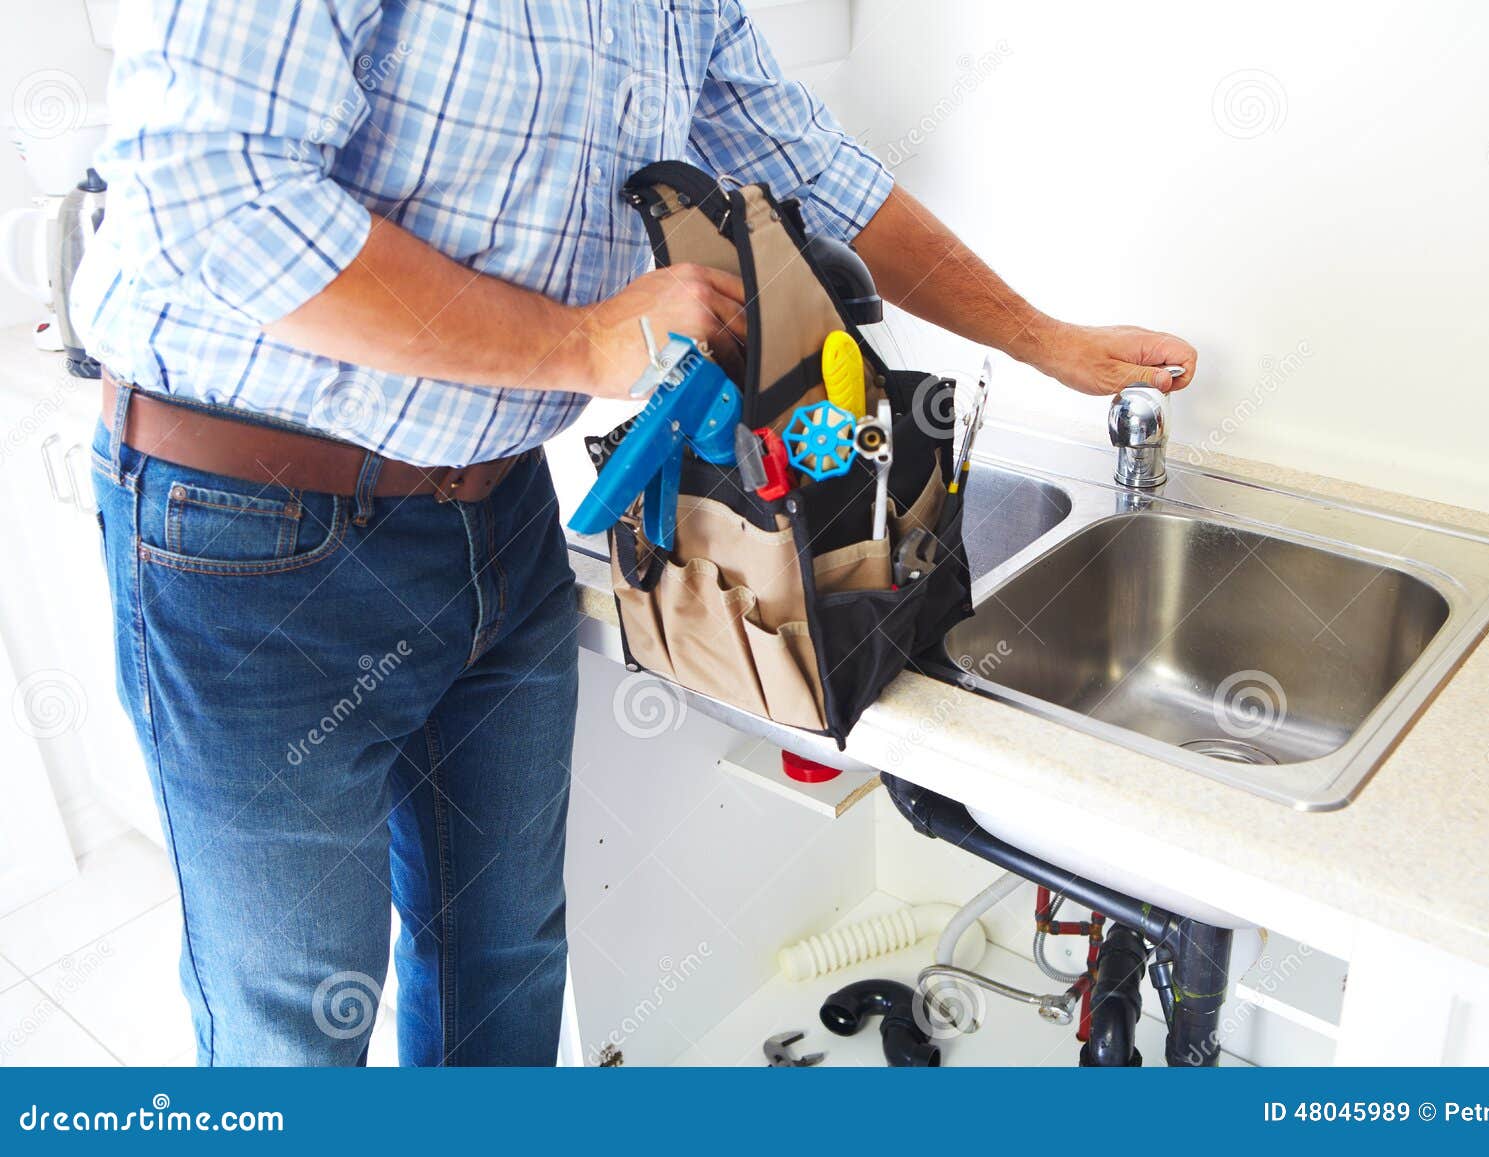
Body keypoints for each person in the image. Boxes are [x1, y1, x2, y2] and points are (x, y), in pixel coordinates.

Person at [76, 0, 1196, 1066]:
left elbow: (805, 161)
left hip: (499, 511)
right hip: (253, 534)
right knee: (295, 1021)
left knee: (502, 961)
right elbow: (212, 196)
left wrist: (1044, 341)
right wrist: (584, 344)